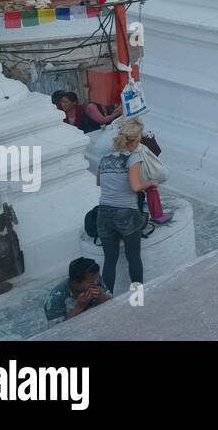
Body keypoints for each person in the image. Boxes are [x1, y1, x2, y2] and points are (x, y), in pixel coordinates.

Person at [95, 117, 158, 295]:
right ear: (136, 141)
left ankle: (106, 298)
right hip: (126, 213)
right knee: (133, 256)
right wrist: (150, 182)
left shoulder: (105, 158)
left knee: (110, 259)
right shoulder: (133, 158)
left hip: (103, 213)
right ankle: (137, 296)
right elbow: (136, 187)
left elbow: (99, 182)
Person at [43, 257, 110, 324]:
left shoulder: (94, 278)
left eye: (97, 278)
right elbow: (58, 332)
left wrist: (101, 295)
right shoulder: (55, 300)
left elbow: (112, 304)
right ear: (75, 283)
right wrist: (79, 307)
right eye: (91, 282)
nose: (96, 283)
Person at [53, 90, 120, 134]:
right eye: (62, 102)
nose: (63, 104)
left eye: (66, 102)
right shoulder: (58, 112)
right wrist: (118, 113)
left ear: (74, 102)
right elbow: (102, 120)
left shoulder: (81, 110)